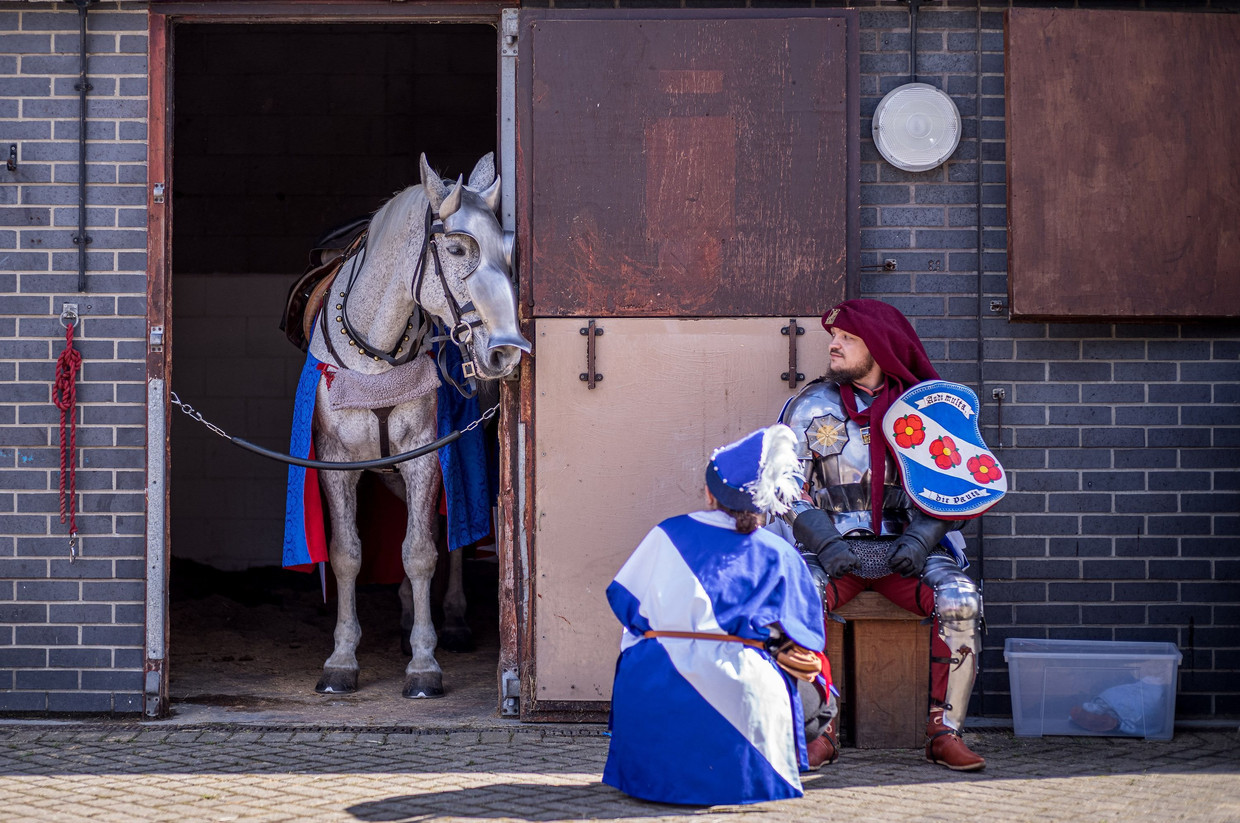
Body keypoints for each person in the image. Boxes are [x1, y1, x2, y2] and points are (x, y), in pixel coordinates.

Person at [776, 298, 987, 772]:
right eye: (835, 336)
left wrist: (922, 537)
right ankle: (817, 733)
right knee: (799, 593)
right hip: (828, 549)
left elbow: (961, 486)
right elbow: (783, 485)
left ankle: (944, 733)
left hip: (907, 548)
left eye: (847, 338)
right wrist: (824, 541)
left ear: (882, 347)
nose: (833, 345)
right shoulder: (810, 406)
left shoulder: (929, 411)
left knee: (960, 599)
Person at [602, 425, 838, 806]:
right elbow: (808, 640)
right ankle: (782, 756)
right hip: (742, 691)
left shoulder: (666, 534)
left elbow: (625, 605)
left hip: (655, 678)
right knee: (822, 693)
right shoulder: (778, 552)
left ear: (709, 494)